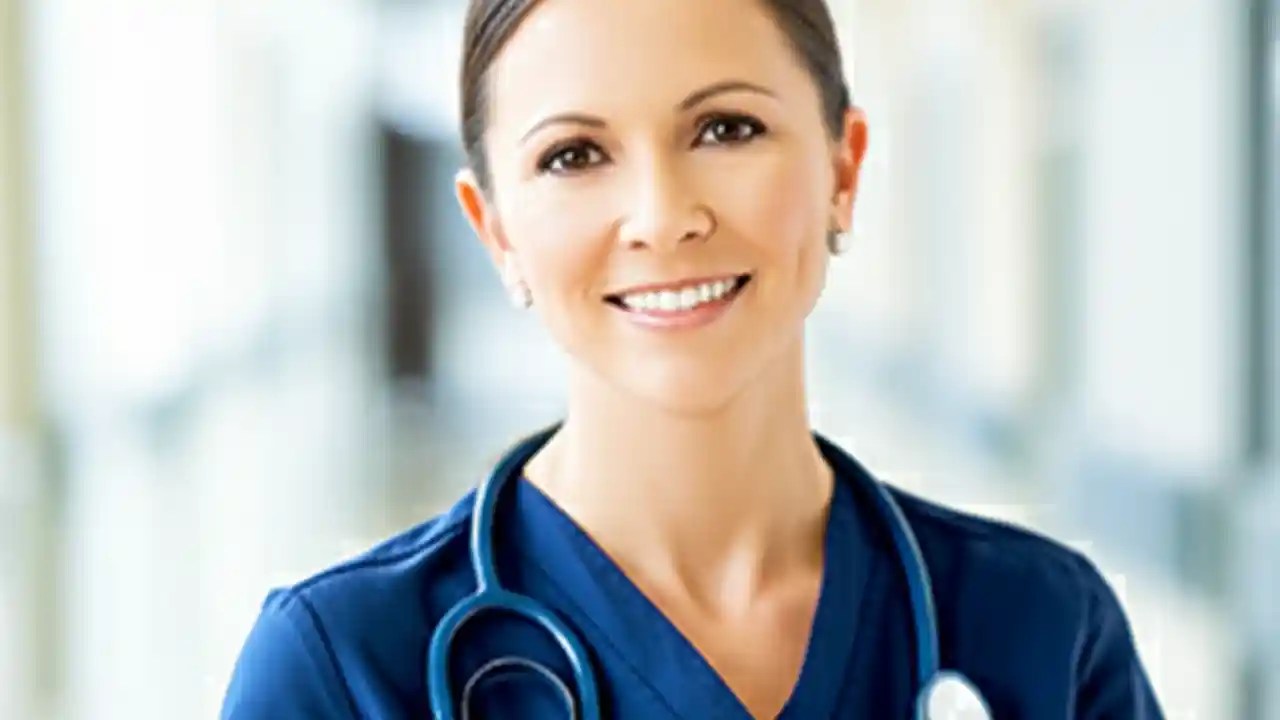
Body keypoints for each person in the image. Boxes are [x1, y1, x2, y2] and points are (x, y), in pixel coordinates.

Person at [221, 0, 1166, 717]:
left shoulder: (1042, 633)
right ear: (496, 231)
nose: (664, 215)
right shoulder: (342, 668)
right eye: (575, 155)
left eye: (726, 130)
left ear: (844, 169)